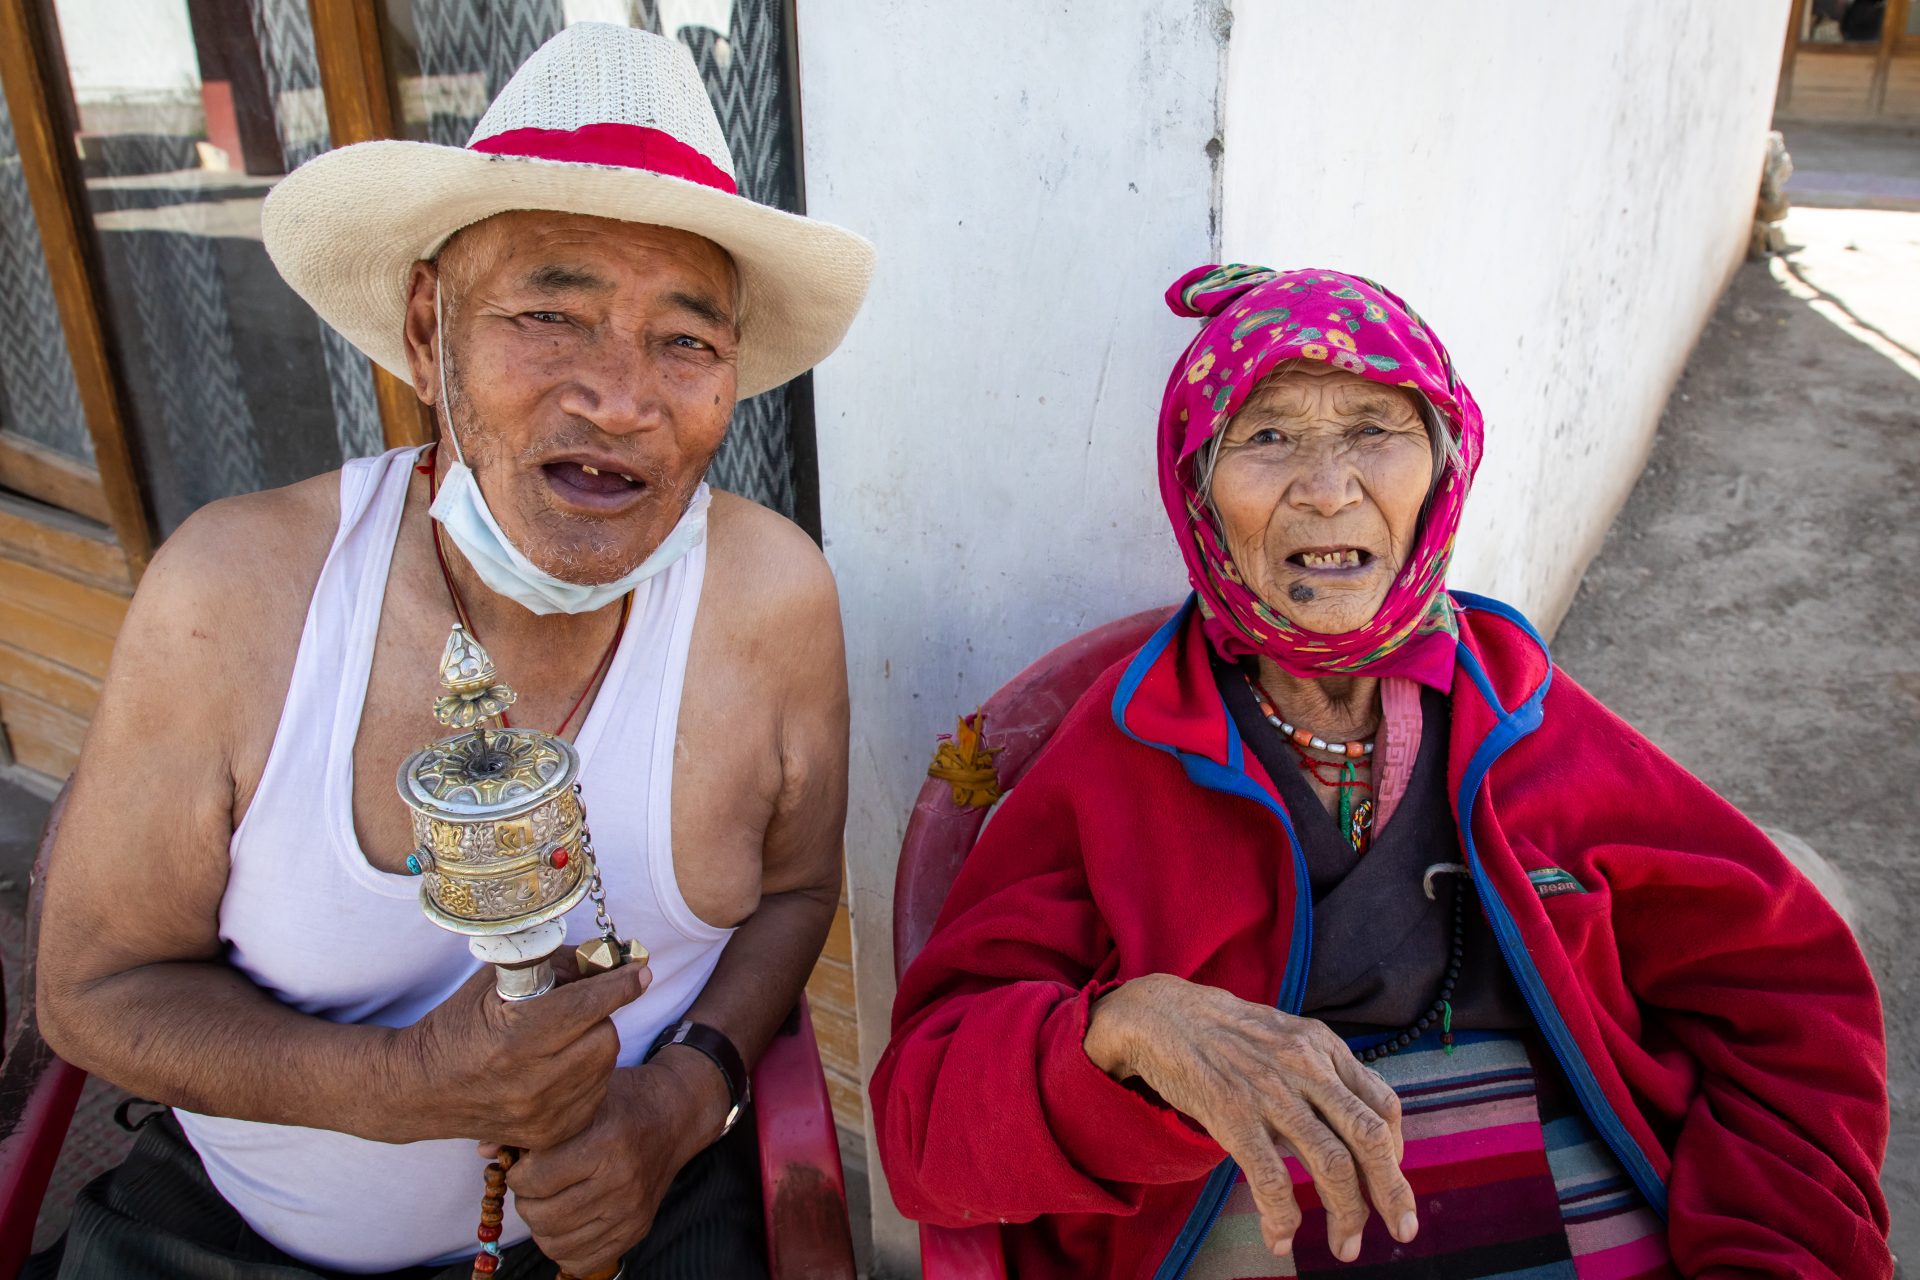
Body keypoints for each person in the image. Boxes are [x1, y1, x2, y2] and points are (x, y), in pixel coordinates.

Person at [30, 23, 872, 1280]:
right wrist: (409, 1082)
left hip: (632, 1223)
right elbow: (94, 992)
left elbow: (798, 895)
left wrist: (684, 1102)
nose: (623, 397)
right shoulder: (238, 591)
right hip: (238, 1241)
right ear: (429, 331)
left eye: (686, 340)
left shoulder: (774, 596)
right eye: (550, 312)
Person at [872, 265, 1891, 1279]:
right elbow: (924, 1121)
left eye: (1373, 428)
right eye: (1266, 435)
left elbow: (1786, 998)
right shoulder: (1124, 747)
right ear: (1195, 485)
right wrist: (1124, 1025)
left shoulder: (1521, 711)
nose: (1326, 486)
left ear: (1443, 469)